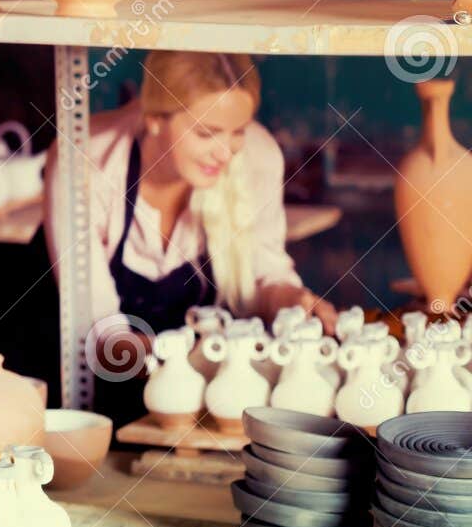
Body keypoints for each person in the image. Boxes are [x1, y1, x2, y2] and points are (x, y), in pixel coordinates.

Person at [45, 51, 337, 393]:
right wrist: (182, 363)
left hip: (202, 384)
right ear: (154, 117)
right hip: (94, 387)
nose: (225, 152)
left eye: (237, 131)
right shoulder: (86, 160)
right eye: (206, 132)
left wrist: (292, 300)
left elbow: (264, 275)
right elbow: (99, 333)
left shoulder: (257, 156)